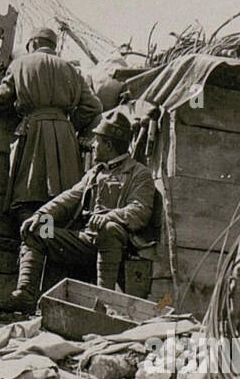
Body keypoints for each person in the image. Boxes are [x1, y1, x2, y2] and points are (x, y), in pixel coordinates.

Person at [0, 26, 102, 307]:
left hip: (33, 137)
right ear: (53, 45)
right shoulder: (71, 69)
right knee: (59, 211)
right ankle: (53, 292)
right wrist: (67, 127)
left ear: (34, 44)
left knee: (30, 206)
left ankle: (26, 291)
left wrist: (23, 110)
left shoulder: (20, 64)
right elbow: (93, 106)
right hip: (65, 144)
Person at [20, 110, 156, 296]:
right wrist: (41, 215)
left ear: (108, 145)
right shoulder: (95, 173)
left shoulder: (139, 173)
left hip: (117, 246)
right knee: (37, 231)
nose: (93, 145)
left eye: (97, 141)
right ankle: (25, 295)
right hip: (83, 240)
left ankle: (104, 300)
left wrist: (109, 217)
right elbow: (68, 198)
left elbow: (140, 210)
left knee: (108, 229)